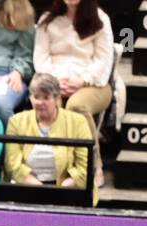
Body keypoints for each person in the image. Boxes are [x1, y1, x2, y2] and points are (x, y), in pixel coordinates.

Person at [33, 0, 113, 186]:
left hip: (93, 85)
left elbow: (103, 61)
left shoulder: (100, 19)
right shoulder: (47, 20)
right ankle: (50, 169)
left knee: (76, 105)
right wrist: (56, 82)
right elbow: (41, 58)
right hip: (54, 84)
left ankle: (94, 165)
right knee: (47, 102)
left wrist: (82, 81)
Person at [4, 72, 92, 197]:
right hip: (27, 188)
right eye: (36, 97)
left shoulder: (78, 122)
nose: (40, 102)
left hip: (67, 190)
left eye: (46, 97)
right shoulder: (16, 122)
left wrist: (58, 191)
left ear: (57, 99)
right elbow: (13, 165)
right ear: (30, 98)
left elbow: (84, 168)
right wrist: (41, 189)